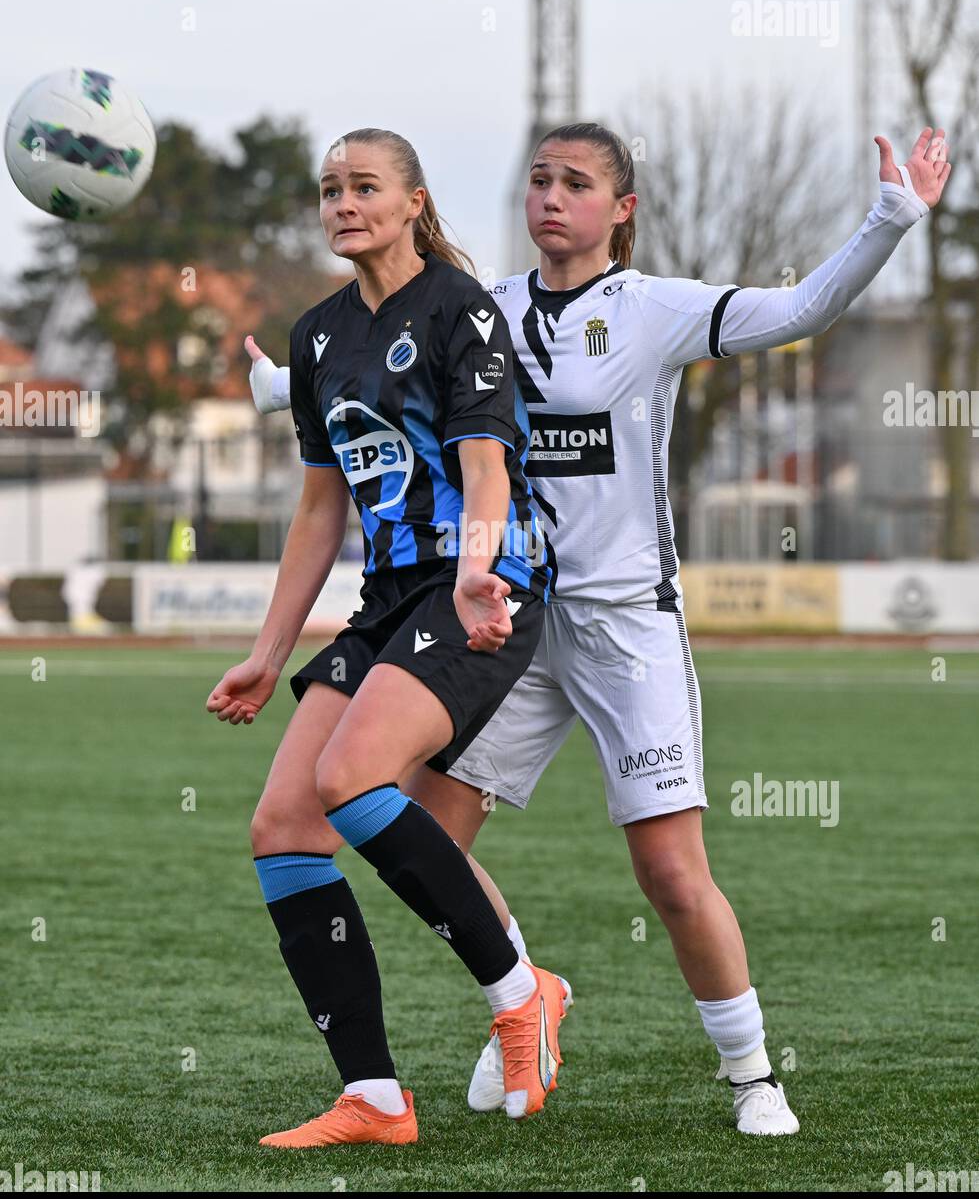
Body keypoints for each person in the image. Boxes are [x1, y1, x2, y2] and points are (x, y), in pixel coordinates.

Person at [249, 120, 950, 1136]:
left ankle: (752, 1073)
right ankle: (526, 989)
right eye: (537, 178)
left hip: (625, 622)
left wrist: (890, 218)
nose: (548, 197)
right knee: (423, 836)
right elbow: (368, 373)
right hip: (503, 618)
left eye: (575, 183)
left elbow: (801, 308)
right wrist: (274, 384)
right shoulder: (479, 306)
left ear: (619, 209)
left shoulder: (653, 308)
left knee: (668, 871)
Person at [208, 127, 569, 1149]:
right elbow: (321, 510)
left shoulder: (463, 312)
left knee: (352, 776)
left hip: (480, 586)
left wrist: (476, 569)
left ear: (414, 202)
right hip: (387, 600)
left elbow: (488, 468)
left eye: (364, 186)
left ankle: (519, 988)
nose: (342, 204)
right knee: (283, 824)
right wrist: (268, 652)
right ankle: (372, 1095)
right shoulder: (317, 335)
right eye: (329, 190)